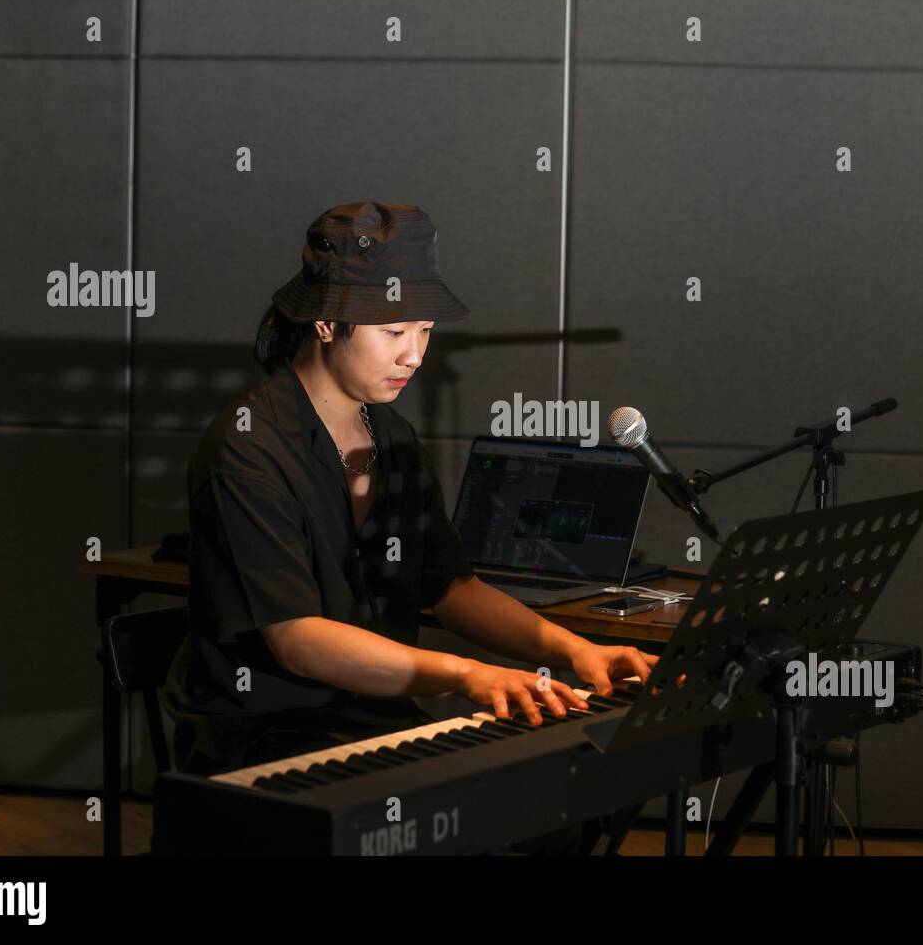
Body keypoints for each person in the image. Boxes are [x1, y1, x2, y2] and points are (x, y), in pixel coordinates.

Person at [164, 202, 657, 787]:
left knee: (570, 787)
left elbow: (450, 587)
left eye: (425, 331)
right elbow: (298, 639)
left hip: (377, 720)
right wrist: (466, 674)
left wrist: (574, 650)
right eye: (394, 332)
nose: (415, 356)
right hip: (267, 735)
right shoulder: (247, 448)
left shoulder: (391, 434)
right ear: (325, 322)